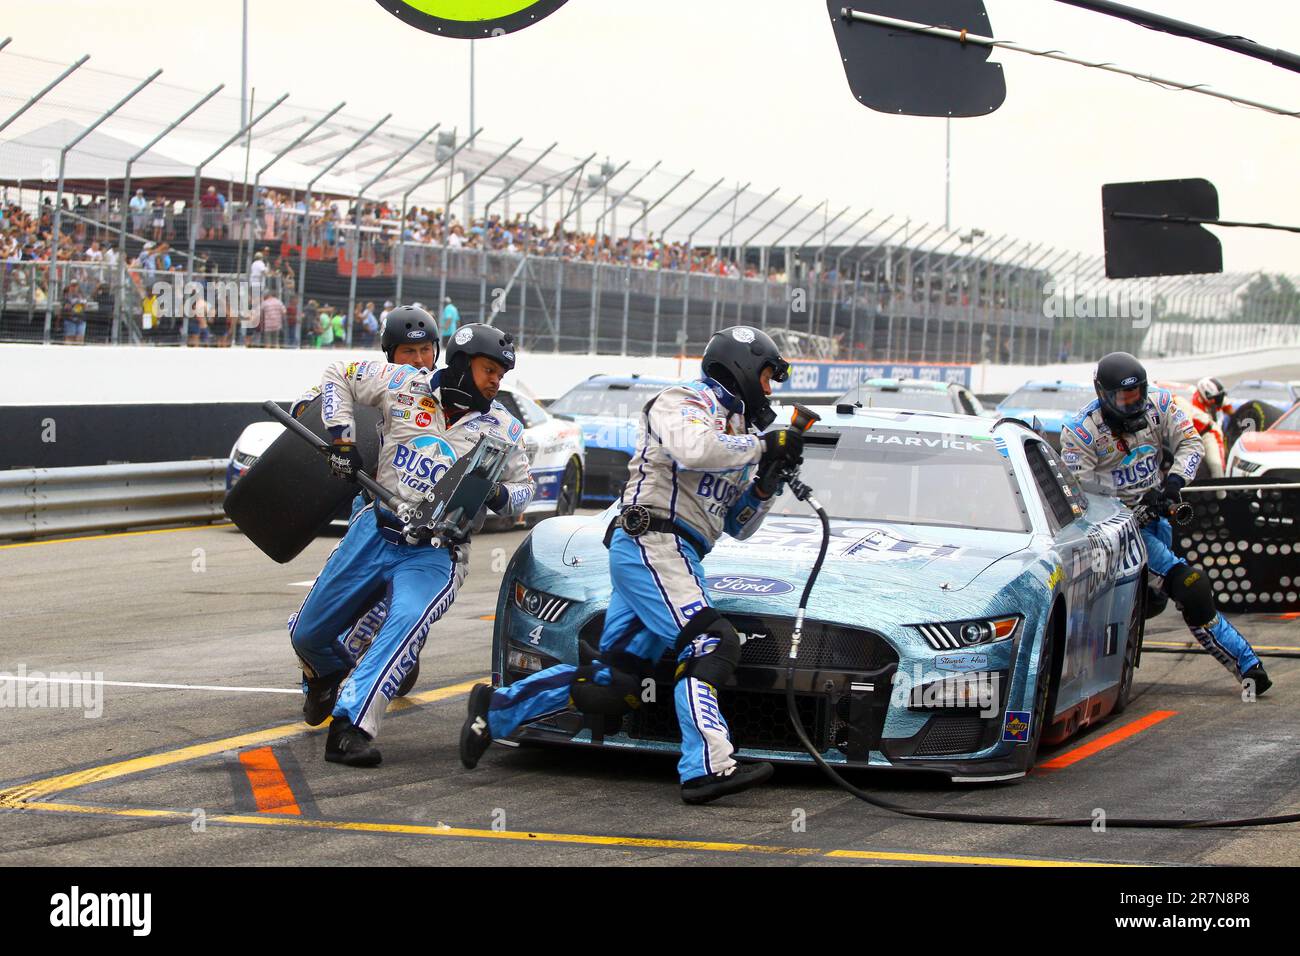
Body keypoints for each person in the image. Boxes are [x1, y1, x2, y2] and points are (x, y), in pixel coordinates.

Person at [460, 325, 805, 804]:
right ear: (742, 368)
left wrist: (768, 483)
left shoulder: (743, 436)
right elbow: (693, 449)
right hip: (651, 541)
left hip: (680, 553)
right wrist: (764, 448)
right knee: (711, 642)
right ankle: (707, 765)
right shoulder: (685, 401)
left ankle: (495, 711)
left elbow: (739, 525)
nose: (769, 390)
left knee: (613, 677)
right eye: (767, 377)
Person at [288, 319, 534, 766]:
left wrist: (501, 494)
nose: (496, 381)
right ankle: (327, 672)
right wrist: (341, 439)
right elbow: (337, 373)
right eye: (489, 370)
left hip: (437, 552)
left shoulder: (507, 430)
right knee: (307, 633)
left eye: (501, 374)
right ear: (460, 364)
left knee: (403, 623)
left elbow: (525, 488)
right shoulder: (401, 382)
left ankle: (351, 727)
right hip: (375, 529)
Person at [1060, 353, 1271, 697]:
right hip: (1118, 527)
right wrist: (1125, 505)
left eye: (1137, 394)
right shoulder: (1082, 432)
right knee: (1190, 585)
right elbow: (1078, 496)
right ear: (1103, 394)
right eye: (1123, 398)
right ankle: (1248, 667)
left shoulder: (1160, 402)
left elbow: (1191, 443)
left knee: (1154, 600)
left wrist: (1172, 485)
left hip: (1158, 513)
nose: (1133, 404)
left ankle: (1139, 608)